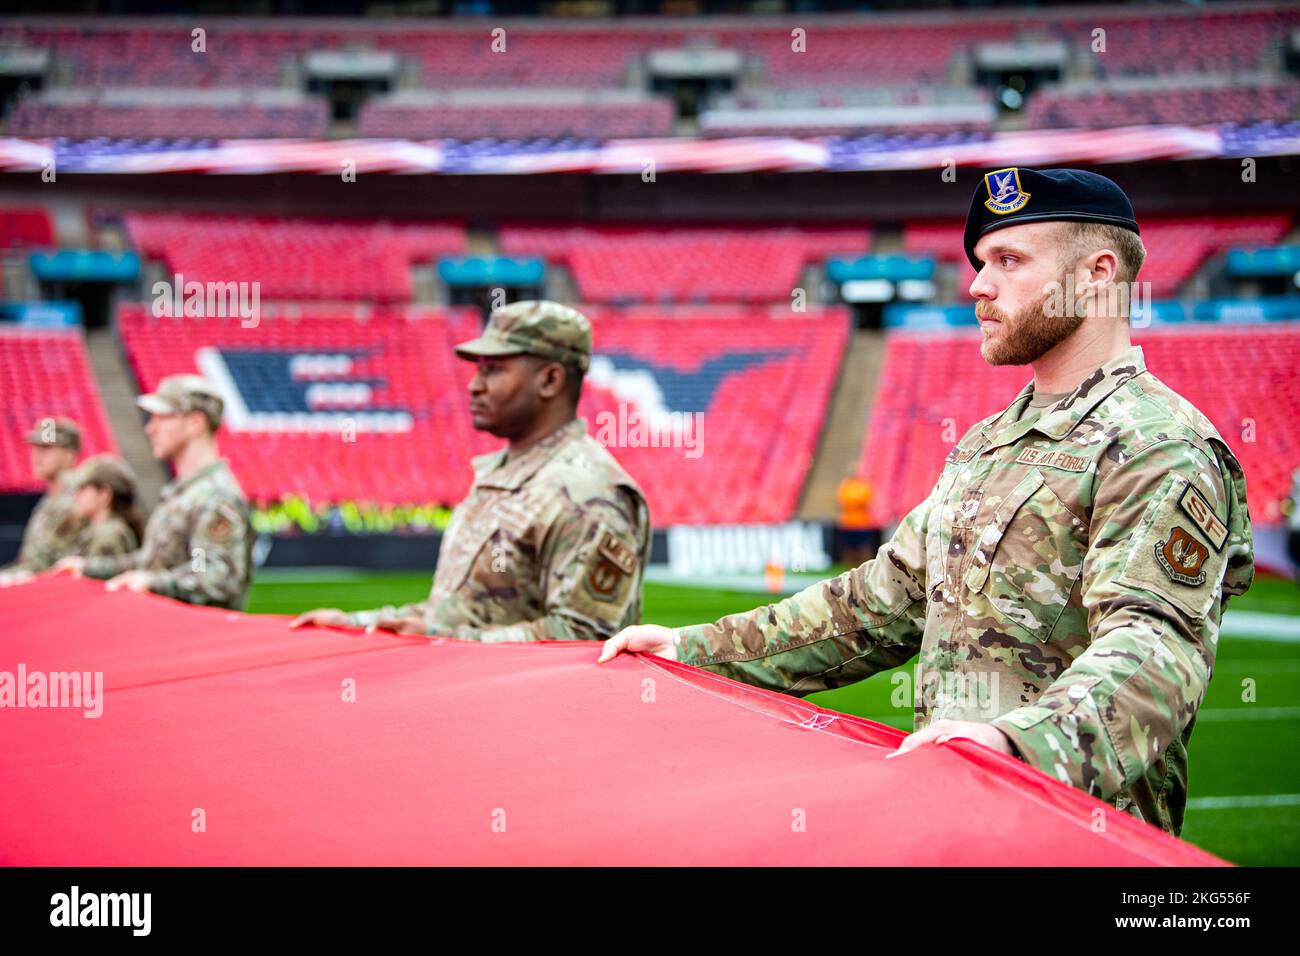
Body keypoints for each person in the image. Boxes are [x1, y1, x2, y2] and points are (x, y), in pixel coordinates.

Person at [600, 167, 1254, 837]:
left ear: (1097, 273)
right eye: (979, 263)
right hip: (962, 824)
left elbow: (1156, 651)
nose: (978, 284)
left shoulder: (1158, 444)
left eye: (1009, 260)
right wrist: (692, 648)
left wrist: (1015, 748)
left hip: (1072, 837)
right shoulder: (986, 445)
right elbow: (876, 606)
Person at [291, 300, 651, 643]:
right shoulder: (503, 474)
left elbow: (583, 640)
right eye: (479, 369)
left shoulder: (590, 491)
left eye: (494, 370)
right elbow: (453, 611)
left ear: (550, 381)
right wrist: (357, 624)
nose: (474, 384)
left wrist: (446, 641)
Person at [55, 374, 253, 609]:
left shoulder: (215, 496)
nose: (151, 429)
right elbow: (150, 562)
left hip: (197, 637)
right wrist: (88, 568)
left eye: (162, 417)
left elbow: (211, 574)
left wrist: (152, 582)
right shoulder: (182, 492)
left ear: (195, 423)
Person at [0, 417, 85, 586]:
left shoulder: (78, 500)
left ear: (69, 454)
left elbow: (43, 565)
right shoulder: (50, 500)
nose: (36, 455)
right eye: (35, 448)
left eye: (46, 448)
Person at [71, 454, 144, 559]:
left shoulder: (107, 535)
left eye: (83, 488)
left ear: (104, 495)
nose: (76, 495)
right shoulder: (105, 530)